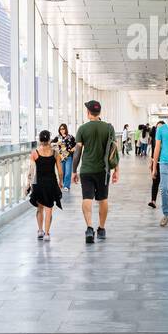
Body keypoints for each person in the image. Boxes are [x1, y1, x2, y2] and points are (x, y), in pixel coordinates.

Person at [72, 100, 118, 244]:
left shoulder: (82, 129)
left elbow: (77, 152)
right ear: (99, 112)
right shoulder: (109, 128)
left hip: (86, 170)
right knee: (103, 199)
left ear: (88, 112)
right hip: (104, 170)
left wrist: (74, 171)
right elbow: (114, 151)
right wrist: (116, 170)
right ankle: (102, 228)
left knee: (87, 198)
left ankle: (90, 227)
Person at [27, 130, 62, 239]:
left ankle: (40, 231)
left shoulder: (35, 153)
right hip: (51, 183)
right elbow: (60, 171)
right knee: (49, 208)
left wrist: (28, 185)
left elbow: (31, 172)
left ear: (39, 140)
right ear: (49, 139)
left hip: (39, 184)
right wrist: (60, 182)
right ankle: (47, 233)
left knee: (40, 208)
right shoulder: (55, 153)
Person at [147, 119, 165, 207]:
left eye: (161, 128)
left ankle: (166, 202)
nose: (159, 129)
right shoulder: (155, 138)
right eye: (158, 128)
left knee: (166, 183)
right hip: (156, 162)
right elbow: (153, 151)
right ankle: (153, 201)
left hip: (166, 163)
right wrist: (151, 163)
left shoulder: (167, 138)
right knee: (155, 181)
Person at [54, 123, 76, 190]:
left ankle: (66, 186)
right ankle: (63, 184)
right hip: (60, 157)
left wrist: (73, 149)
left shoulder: (70, 137)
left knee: (68, 172)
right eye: (60, 129)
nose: (62, 130)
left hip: (68, 156)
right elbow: (51, 144)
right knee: (62, 172)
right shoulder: (58, 137)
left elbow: (76, 145)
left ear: (65, 129)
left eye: (63, 129)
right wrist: (56, 143)